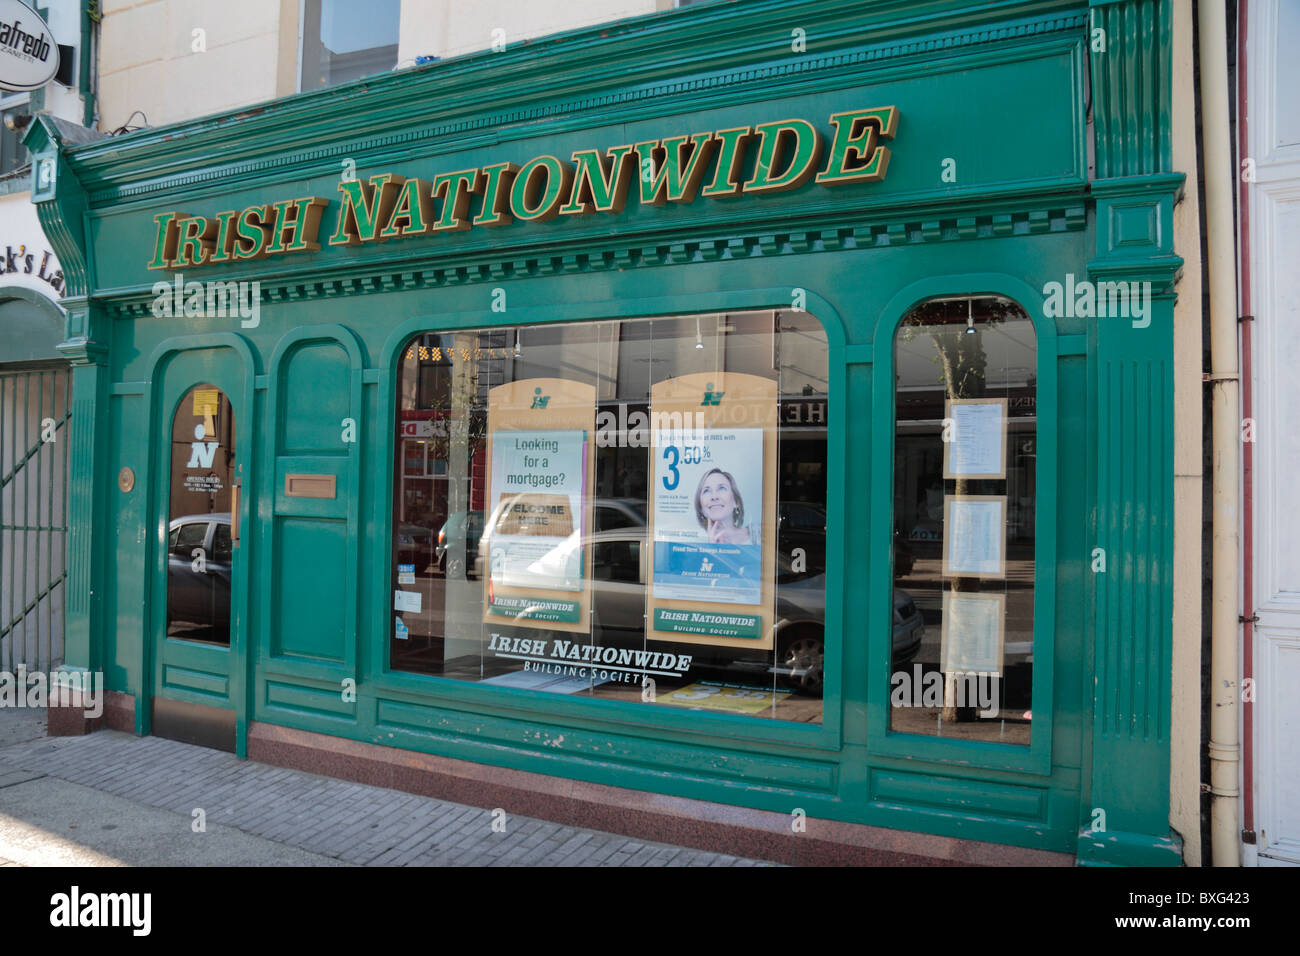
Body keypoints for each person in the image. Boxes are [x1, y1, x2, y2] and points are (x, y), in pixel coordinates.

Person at [694, 468, 753, 545]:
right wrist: (713, 549)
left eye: (722, 488)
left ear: (736, 502)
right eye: (707, 491)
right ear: (701, 508)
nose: (714, 497)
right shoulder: (694, 545)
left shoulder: (757, 534)